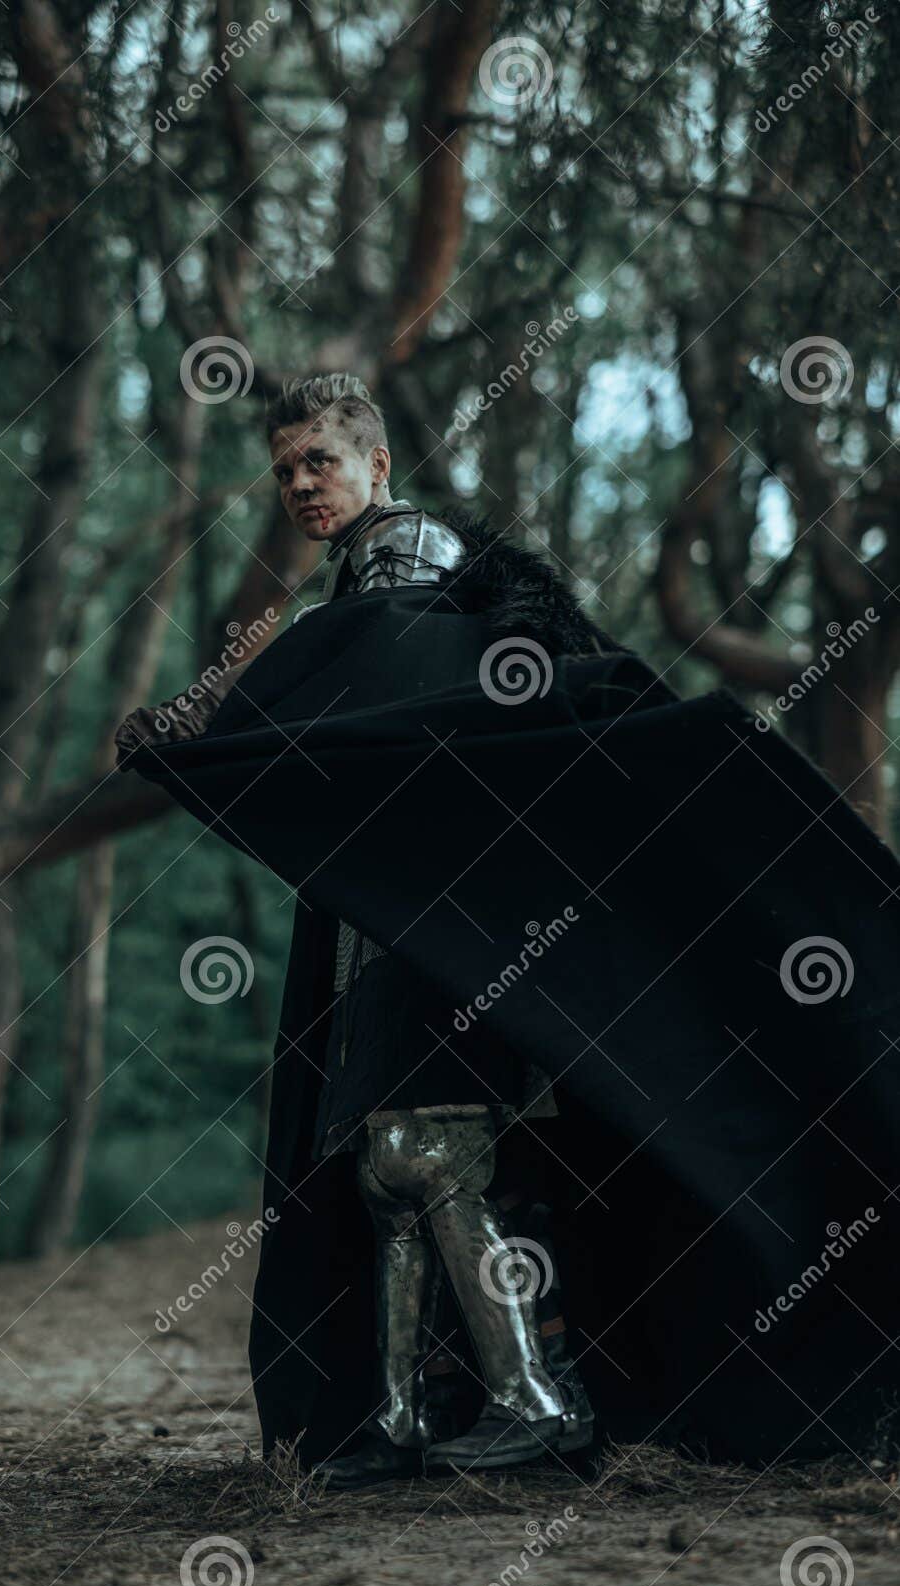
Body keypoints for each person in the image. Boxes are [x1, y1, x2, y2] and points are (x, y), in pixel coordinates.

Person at [117, 373, 900, 1488]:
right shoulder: (362, 579)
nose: (298, 484)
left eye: (319, 461)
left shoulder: (408, 558)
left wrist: (210, 726)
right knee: (391, 1169)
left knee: (428, 1155)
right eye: (284, 469)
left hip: (452, 925)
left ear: (375, 463)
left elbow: (383, 683)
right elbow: (349, 709)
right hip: (411, 916)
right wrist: (205, 729)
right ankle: (406, 1413)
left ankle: (537, 1398)